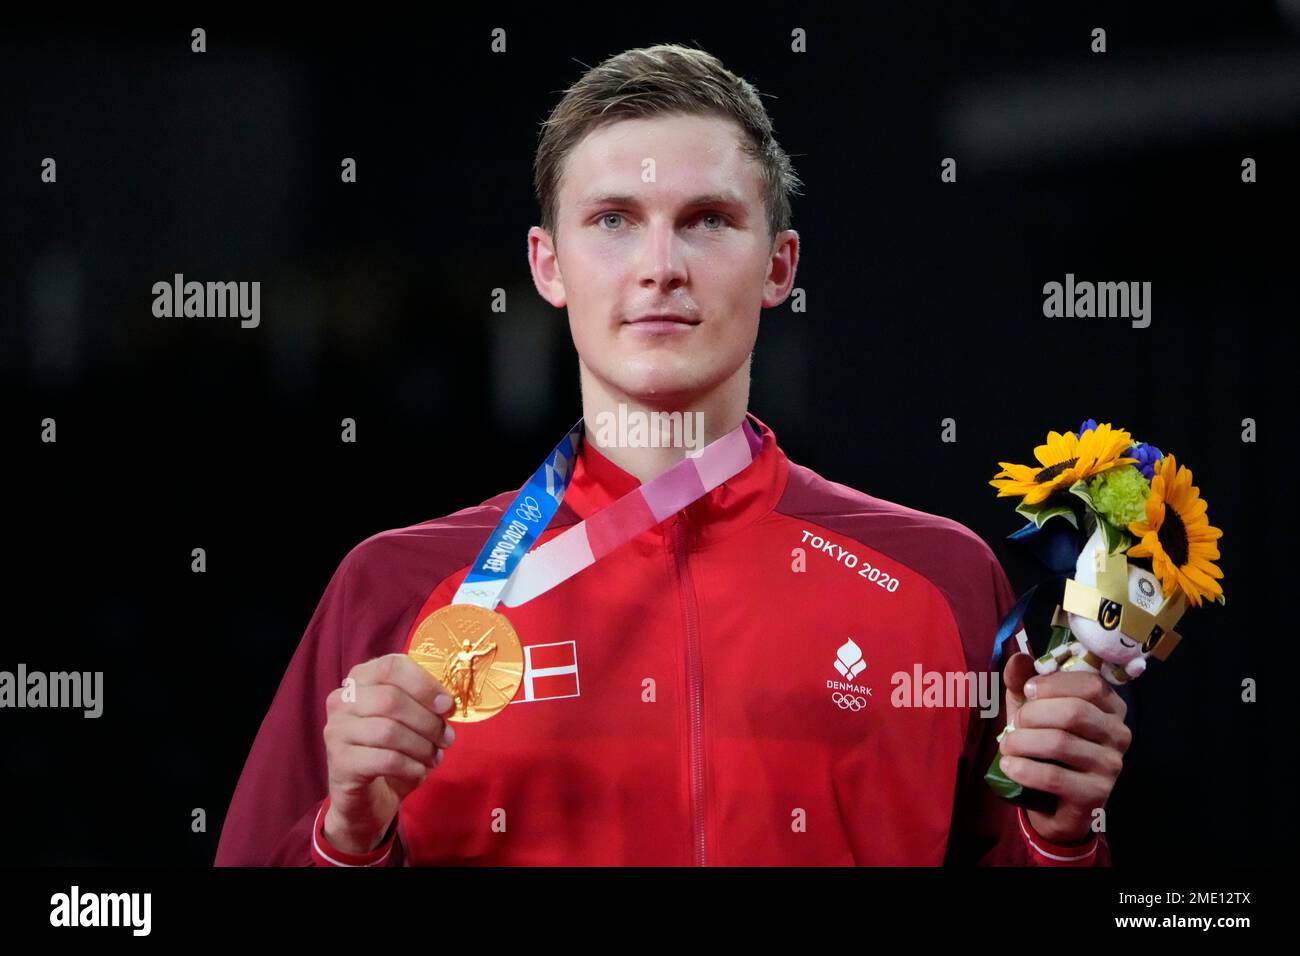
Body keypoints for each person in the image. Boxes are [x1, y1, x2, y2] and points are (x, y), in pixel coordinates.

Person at [215, 43, 1126, 867]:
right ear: (548, 265)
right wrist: (345, 842)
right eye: (613, 220)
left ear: (779, 265)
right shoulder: (394, 587)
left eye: (707, 220)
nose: (660, 266)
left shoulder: (942, 579)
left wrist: (1057, 838)